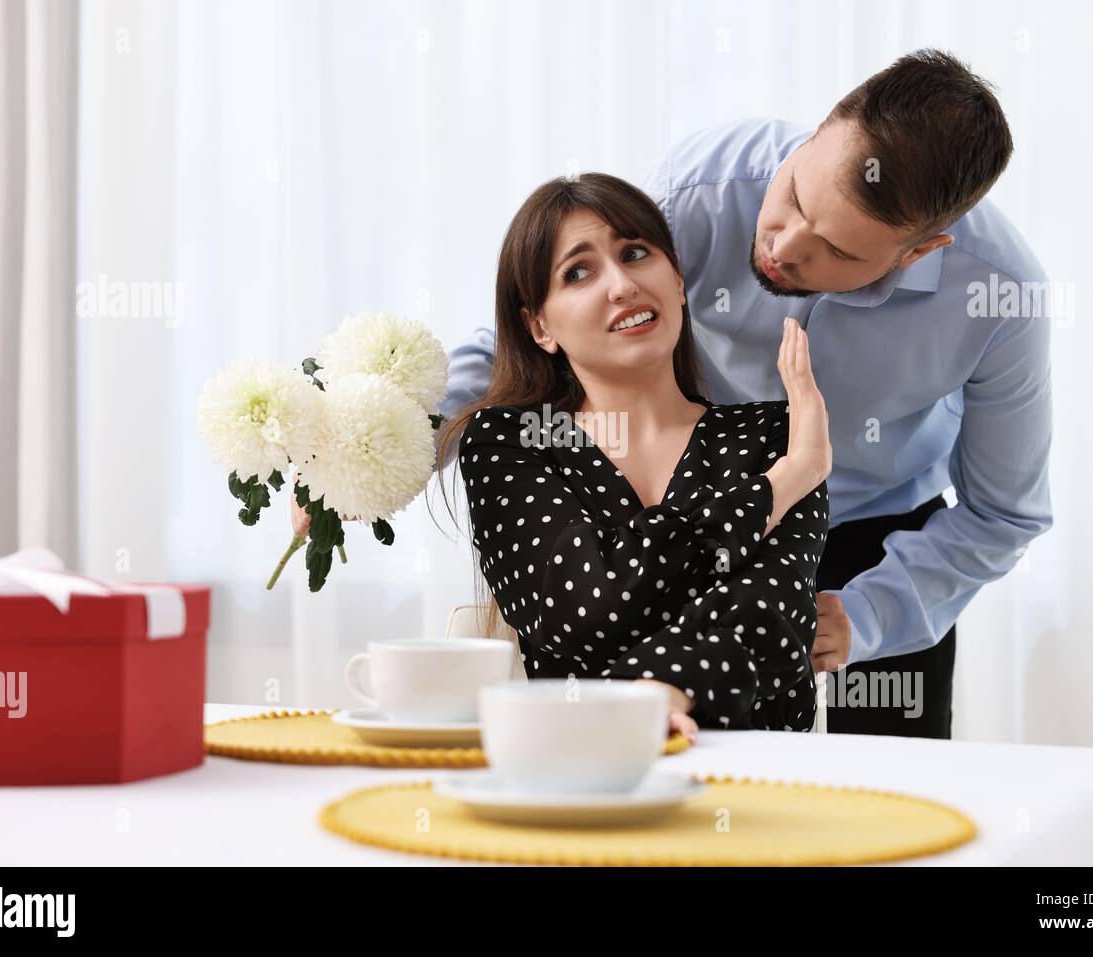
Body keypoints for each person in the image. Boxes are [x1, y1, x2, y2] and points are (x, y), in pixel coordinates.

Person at [441, 49, 1054, 739]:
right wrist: (403, 442)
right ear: (821, 128)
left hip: (882, 540)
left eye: (838, 252)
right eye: (793, 195)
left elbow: (1005, 514)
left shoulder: (999, 296)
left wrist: (872, 613)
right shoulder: (705, 188)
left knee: (891, 810)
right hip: (696, 500)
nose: (782, 246)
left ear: (918, 251)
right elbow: (551, 315)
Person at [436, 172, 833, 741]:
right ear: (540, 326)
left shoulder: (774, 434)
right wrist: (784, 483)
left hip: (755, 781)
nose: (621, 285)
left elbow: (770, 617)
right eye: (578, 272)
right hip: (584, 777)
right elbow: (586, 612)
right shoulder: (510, 442)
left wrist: (663, 690)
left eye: (635, 253)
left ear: (676, 280)